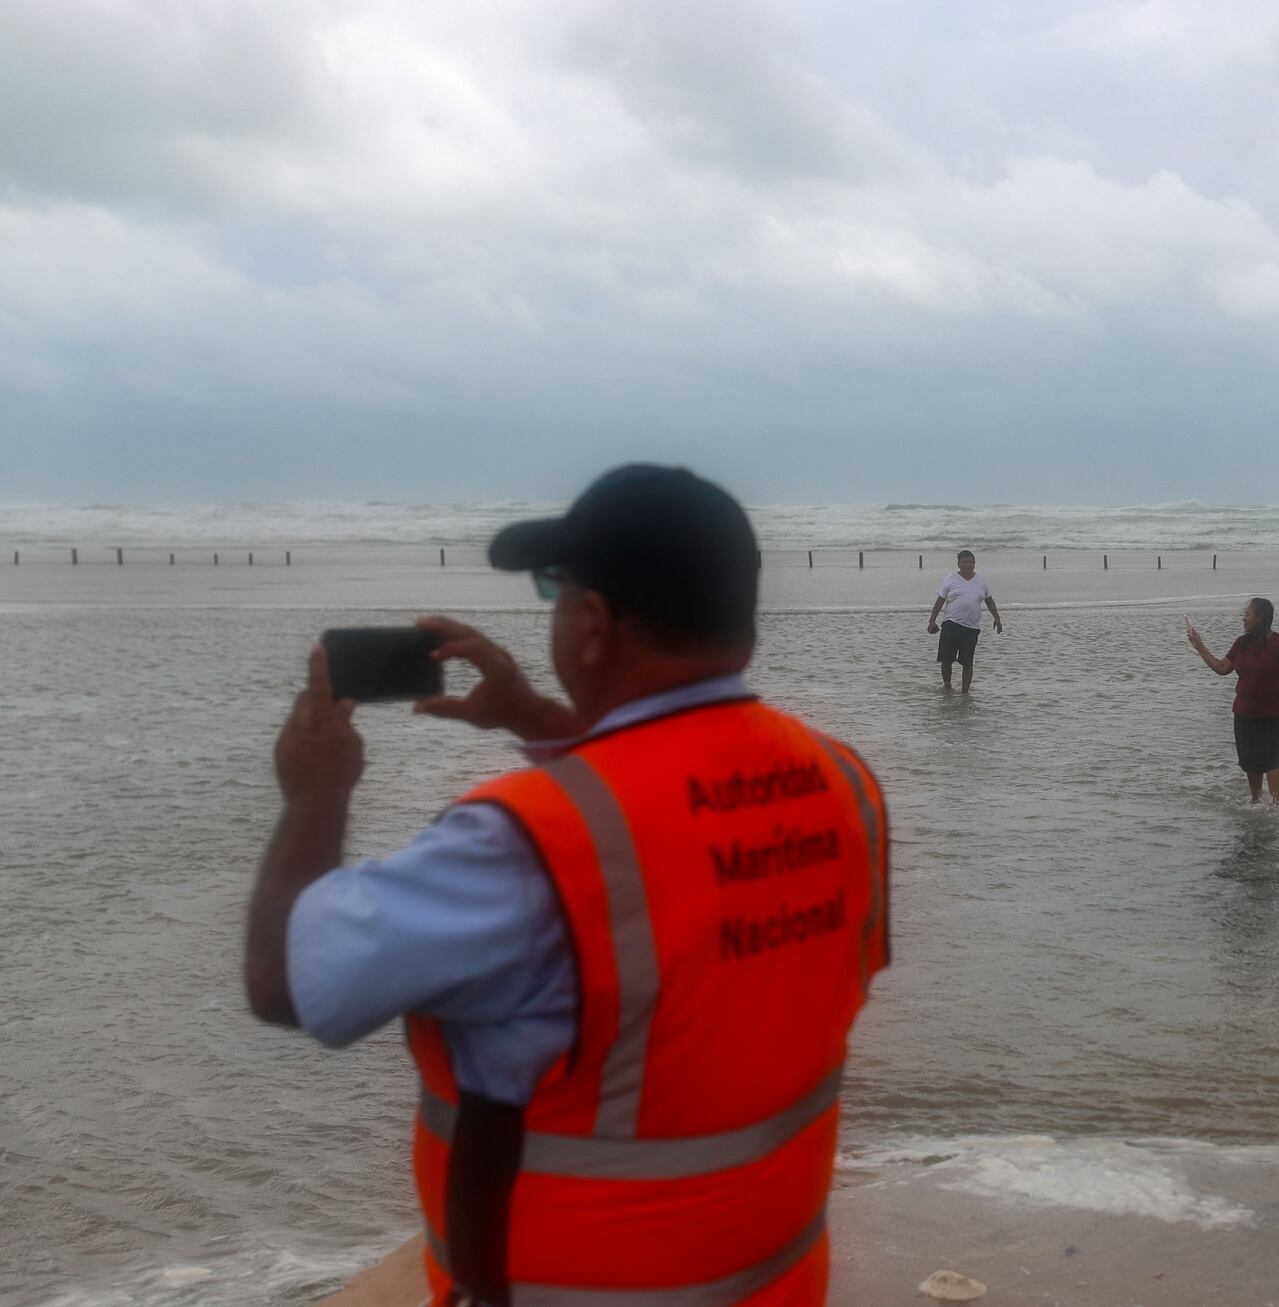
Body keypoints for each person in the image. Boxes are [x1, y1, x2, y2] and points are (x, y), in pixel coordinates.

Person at [243, 465, 891, 1307]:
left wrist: (314, 797)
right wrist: (538, 717)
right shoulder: (843, 783)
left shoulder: (519, 846)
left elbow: (286, 982)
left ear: (593, 625)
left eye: (555, 587)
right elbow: (674, 815)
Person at [1185, 598, 1279, 802]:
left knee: (1271, 759)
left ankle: (1276, 805)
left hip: (1274, 713)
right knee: (1250, 761)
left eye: (1247, 615)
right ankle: (1255, 801)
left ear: (1261, 618)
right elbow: (1222, 668)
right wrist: (1199, 646)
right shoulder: (1241, 643)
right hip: (1244, 713)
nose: (1244, 619)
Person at [926, 549, 1002, 693]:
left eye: (971, 562)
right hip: (951, 623)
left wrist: (997, 618)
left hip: (972, 627)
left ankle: (965, 692)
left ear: (974, 563)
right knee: (947, 659)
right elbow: (940, 601)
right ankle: (947, 685)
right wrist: (932, 621)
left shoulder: (981, 580)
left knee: (967, 662)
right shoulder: (950, 579)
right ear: (959, 564)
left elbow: (989, 600)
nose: (968, 564)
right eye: (965, 562)